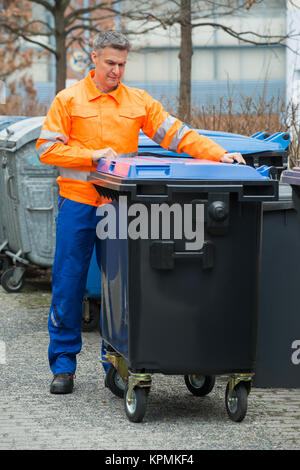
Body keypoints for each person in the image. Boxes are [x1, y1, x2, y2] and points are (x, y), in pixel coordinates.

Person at [36, 30, 245, 394]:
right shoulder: (68, 100)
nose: (116, 71)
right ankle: (64, 366)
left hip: (119, 208)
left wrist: (219, 154)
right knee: (67, 284)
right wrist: (92, 156)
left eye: (122, 64)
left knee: (121, 287)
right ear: (95, 59)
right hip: (78, 204)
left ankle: (115, 359)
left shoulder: (137, 102)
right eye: (110, 63)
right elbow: (47, 150)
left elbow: (178, 134)